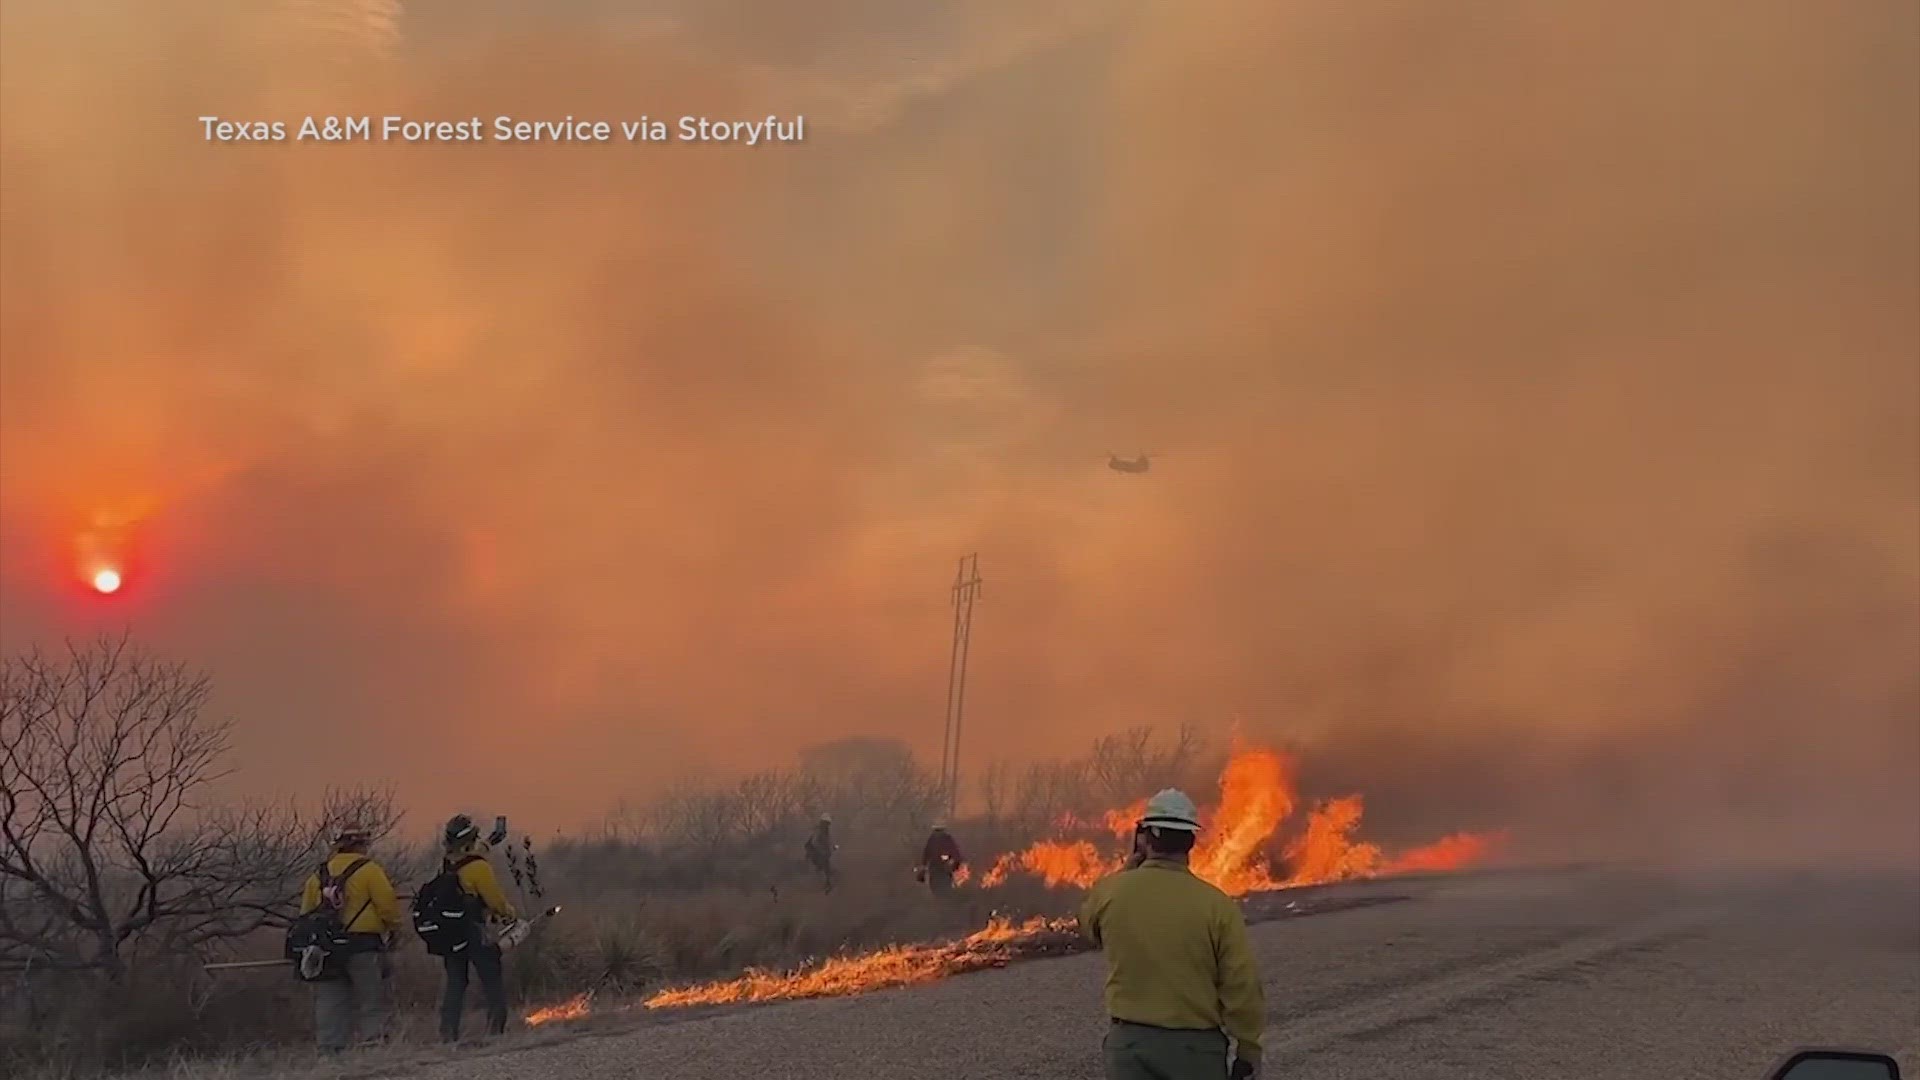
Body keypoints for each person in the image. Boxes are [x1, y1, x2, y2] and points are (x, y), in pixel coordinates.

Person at [1079, 789, 1266, 1080]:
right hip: (1195, 1052)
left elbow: (1089, 929)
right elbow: (1241, 984)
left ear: (1145, 839)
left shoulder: (1110, 892)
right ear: (1191, 841)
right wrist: (1249, 1048)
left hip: (1130, 1049)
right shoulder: (1217, 905)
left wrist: (1129, 867)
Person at [299, 823, 403, 1052]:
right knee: (371, 998)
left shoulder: (318, 875)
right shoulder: (370, 870)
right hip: (363, 944)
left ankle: (330, 1048)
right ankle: (373, 1044)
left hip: (327, 948)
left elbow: (305, 913)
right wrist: (394, 928)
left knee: (330, 1000)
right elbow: (387, 906)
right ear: (362, 844)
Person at [436, 813, 519, 1043]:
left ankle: (448, 1034)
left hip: (451, 933)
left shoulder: (447, 864)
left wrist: (490, 842)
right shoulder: (478, 867)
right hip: (474, 930)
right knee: (491, 979)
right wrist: (510, 914)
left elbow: (471, 854)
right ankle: (495, 1031)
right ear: (471, 838)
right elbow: (496, 901)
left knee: (455, 983)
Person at [918, 822, 966, 897]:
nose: (938, 832)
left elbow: (954, 851)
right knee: (936, 884)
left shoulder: (946, 839)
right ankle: (939, 898)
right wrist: (923, 867)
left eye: (939, 830)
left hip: (944, 867)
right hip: (935, 866)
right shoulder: (932, 839)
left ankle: (945, 898)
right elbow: (926, 853)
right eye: (937, 830)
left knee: (945, 884)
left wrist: (957, 862)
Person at [804, 813, 836, 894]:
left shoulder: (824, 830)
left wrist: (830, 848)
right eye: (826, 823)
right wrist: (823, 851)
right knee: (823, 867)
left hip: (819, 852)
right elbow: (815, 842)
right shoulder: (819, 830)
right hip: (817, 852)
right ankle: (823, 884)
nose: (827, 825)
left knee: (824, 868)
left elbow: (827, 842)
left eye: (828, 823)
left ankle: (825, 883)